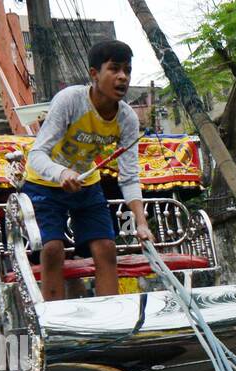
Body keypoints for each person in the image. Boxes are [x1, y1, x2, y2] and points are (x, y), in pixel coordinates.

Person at [23, 39, 154, 301]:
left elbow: (128, 175)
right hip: (43, 182)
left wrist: (141, 222)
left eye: (127, 70)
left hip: (86, 183)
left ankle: (111, 320)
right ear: (94, 74)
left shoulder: (127, 118)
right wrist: (61, 174)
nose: (122, 77)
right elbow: (37, 154)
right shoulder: (70, 100)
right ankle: (55, 321)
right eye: (114, 69)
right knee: (52, 249)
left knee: (106, 248)